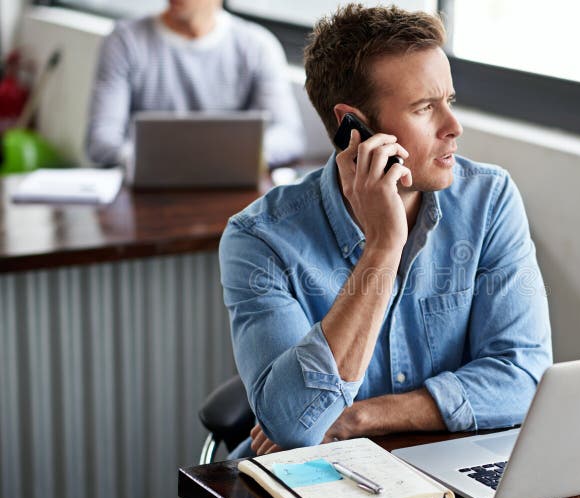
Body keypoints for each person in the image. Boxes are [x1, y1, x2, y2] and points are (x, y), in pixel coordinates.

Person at [219, 4, 552, 457]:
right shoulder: (259, 238)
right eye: (424, 108)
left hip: (445, 467)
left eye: (449, 102)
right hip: (311, 480)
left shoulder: (489, 200)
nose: (453, 127)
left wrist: (358, 417)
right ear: (353, 127)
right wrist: (383, 246)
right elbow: (295, 424)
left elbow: (524, 378)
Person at [85, 0, 304, 168]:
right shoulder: (124, 40)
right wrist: (151, 162)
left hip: (229, 193)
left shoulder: (257, 45)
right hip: (148, 192)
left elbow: (289, 135)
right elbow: (101, 139)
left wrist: (231, 159)